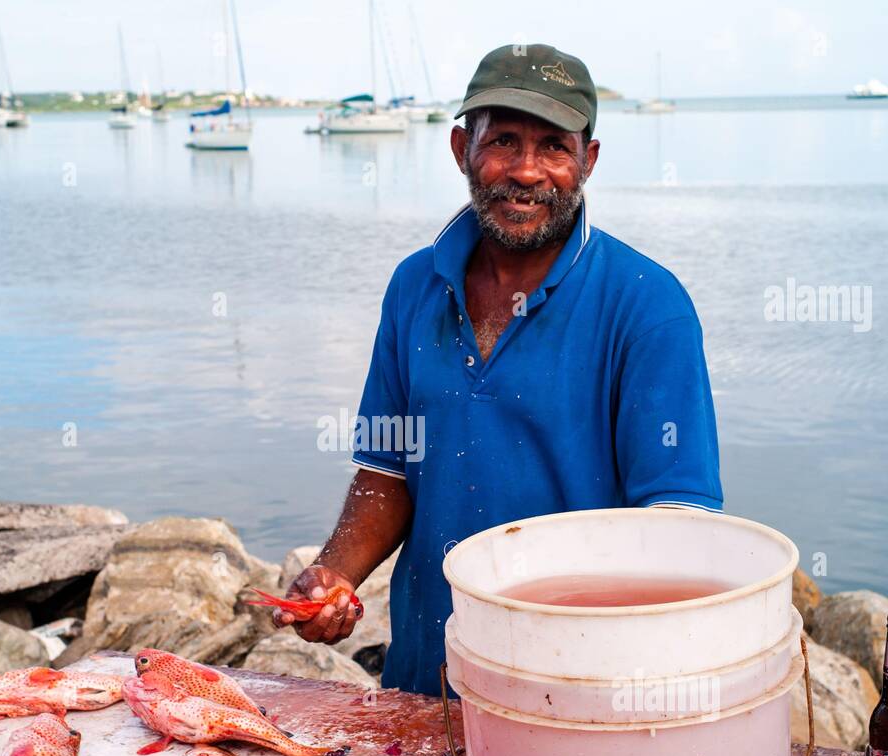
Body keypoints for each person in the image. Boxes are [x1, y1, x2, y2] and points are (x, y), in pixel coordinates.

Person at [272, 44, 723, 695]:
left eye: (554, 147)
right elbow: (387, 472)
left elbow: (676, 527)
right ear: (461, 148)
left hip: (571, 697)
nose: (528, 171)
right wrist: (333, 575)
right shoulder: (414, 287)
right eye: (504, 141)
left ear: (588, 160)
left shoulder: (649, 308)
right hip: (423, 685)